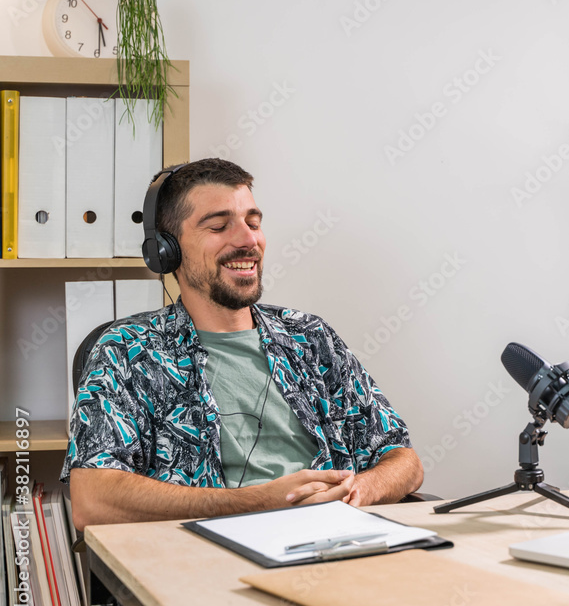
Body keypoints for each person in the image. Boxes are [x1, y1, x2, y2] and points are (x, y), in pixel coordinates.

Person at [62, 158, 423, 530]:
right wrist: (261, 502)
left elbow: (404, 461)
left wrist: (355, 492)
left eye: (253, 223)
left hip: (339, 535)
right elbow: (93, 500)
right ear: (166, 250)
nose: (248, 240)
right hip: (208, 556)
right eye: (219, 226)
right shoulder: (128, 350)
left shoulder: (310, 337)